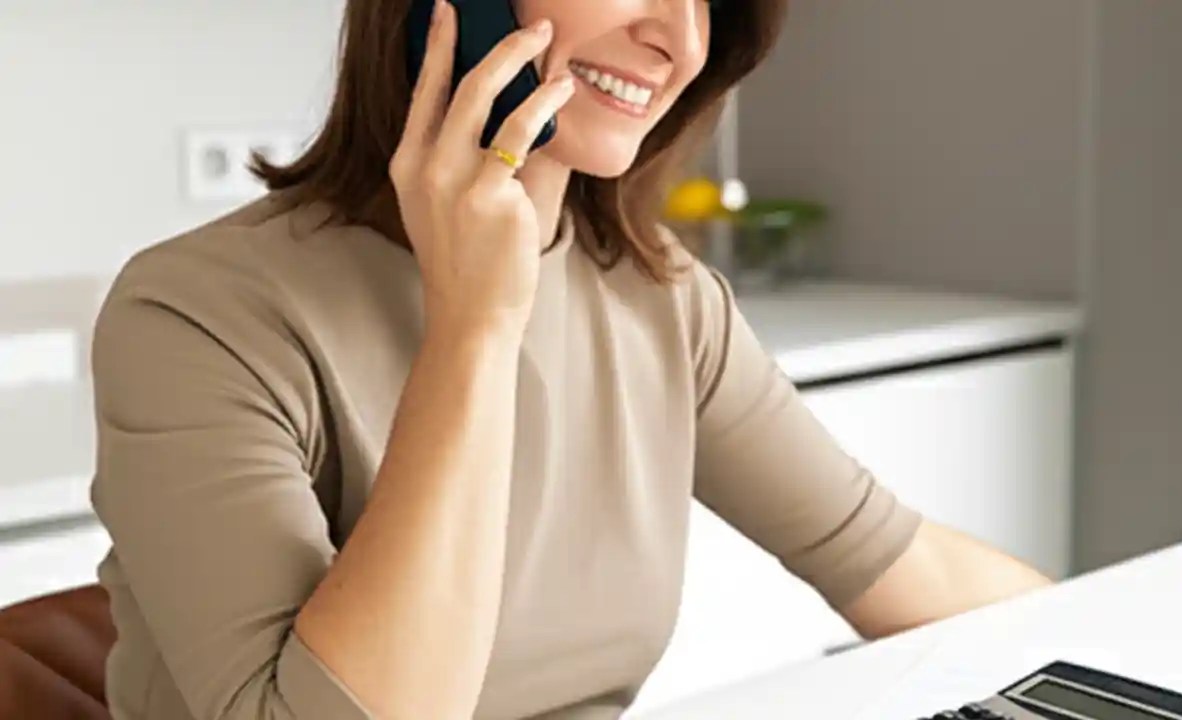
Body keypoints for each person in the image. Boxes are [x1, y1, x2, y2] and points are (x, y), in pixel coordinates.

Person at [88, 0, 1052, 718]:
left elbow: (897, 561)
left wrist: (1113, 648)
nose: (679, 37)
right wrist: (474, 327)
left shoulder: (658, 297)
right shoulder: (199, 313)